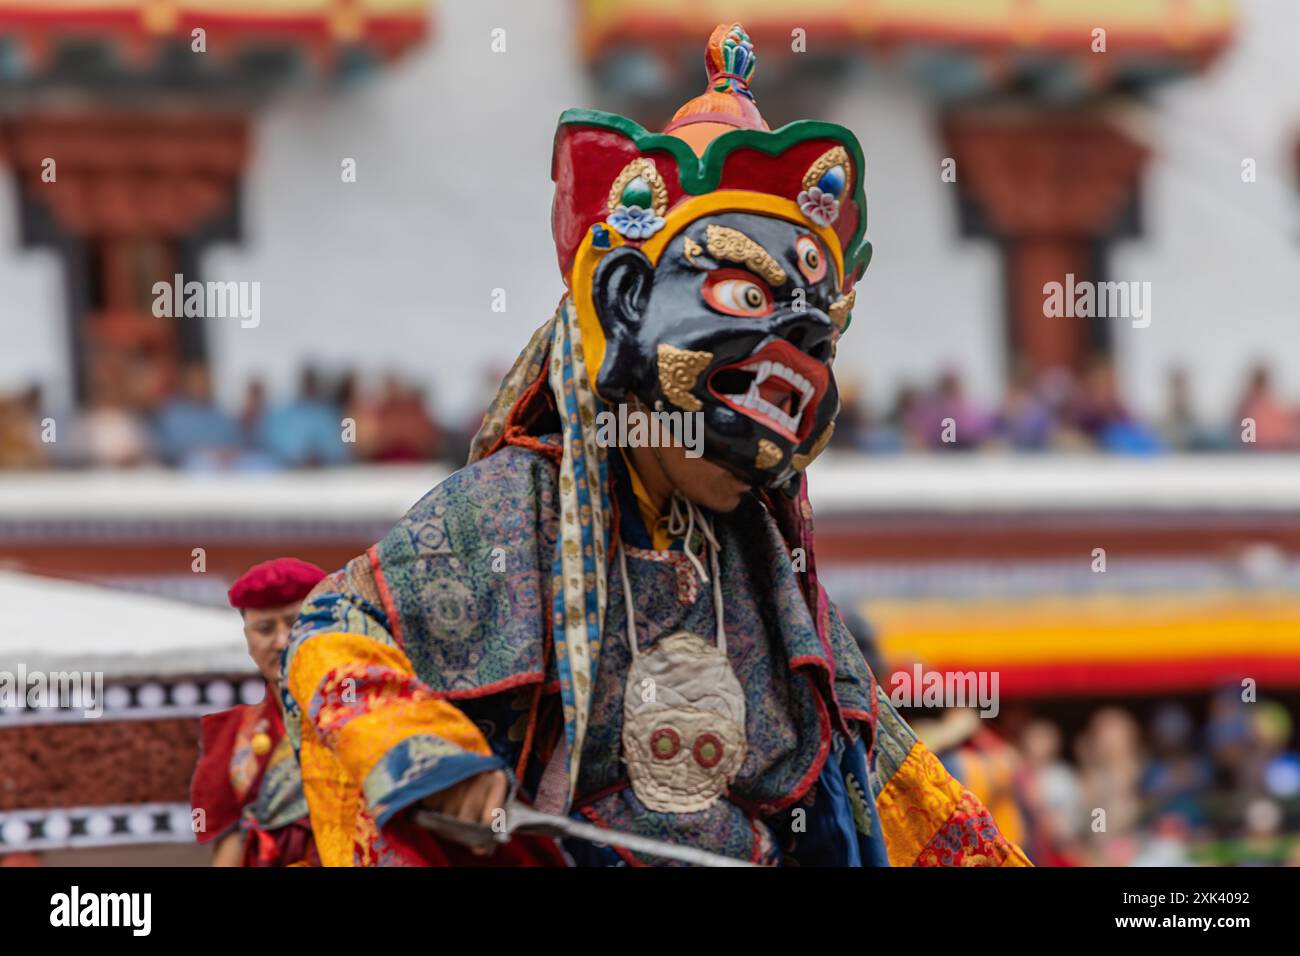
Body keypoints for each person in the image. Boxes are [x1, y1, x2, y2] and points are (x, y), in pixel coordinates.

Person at [281, 23, 1029, 867]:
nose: (802, 347)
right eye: (746, 294)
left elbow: (880, 773)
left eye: (820, 337)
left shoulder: (762, 560)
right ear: (626, 301)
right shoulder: (512, 511)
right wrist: (430, 759)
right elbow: (330, 632)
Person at [190, 558, 326, 866]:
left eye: (295, 624)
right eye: (265, 629)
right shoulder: (233, 734)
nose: (281, 642)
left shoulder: (361, 714)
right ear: (248, 641)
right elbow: (231, 848)